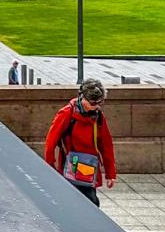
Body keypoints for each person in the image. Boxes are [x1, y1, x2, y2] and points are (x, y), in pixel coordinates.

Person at [44, 78, 117, 207]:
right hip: (70, 166)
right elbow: (51, 141)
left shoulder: (98, 116)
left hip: (89, 167)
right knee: (84, 203)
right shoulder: (67, 113)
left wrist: (110, 173)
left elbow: (106, 145)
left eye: (100, 103)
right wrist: (50, 166)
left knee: (90, 202)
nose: (97, 106)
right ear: (83, 98)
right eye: (94, 103)